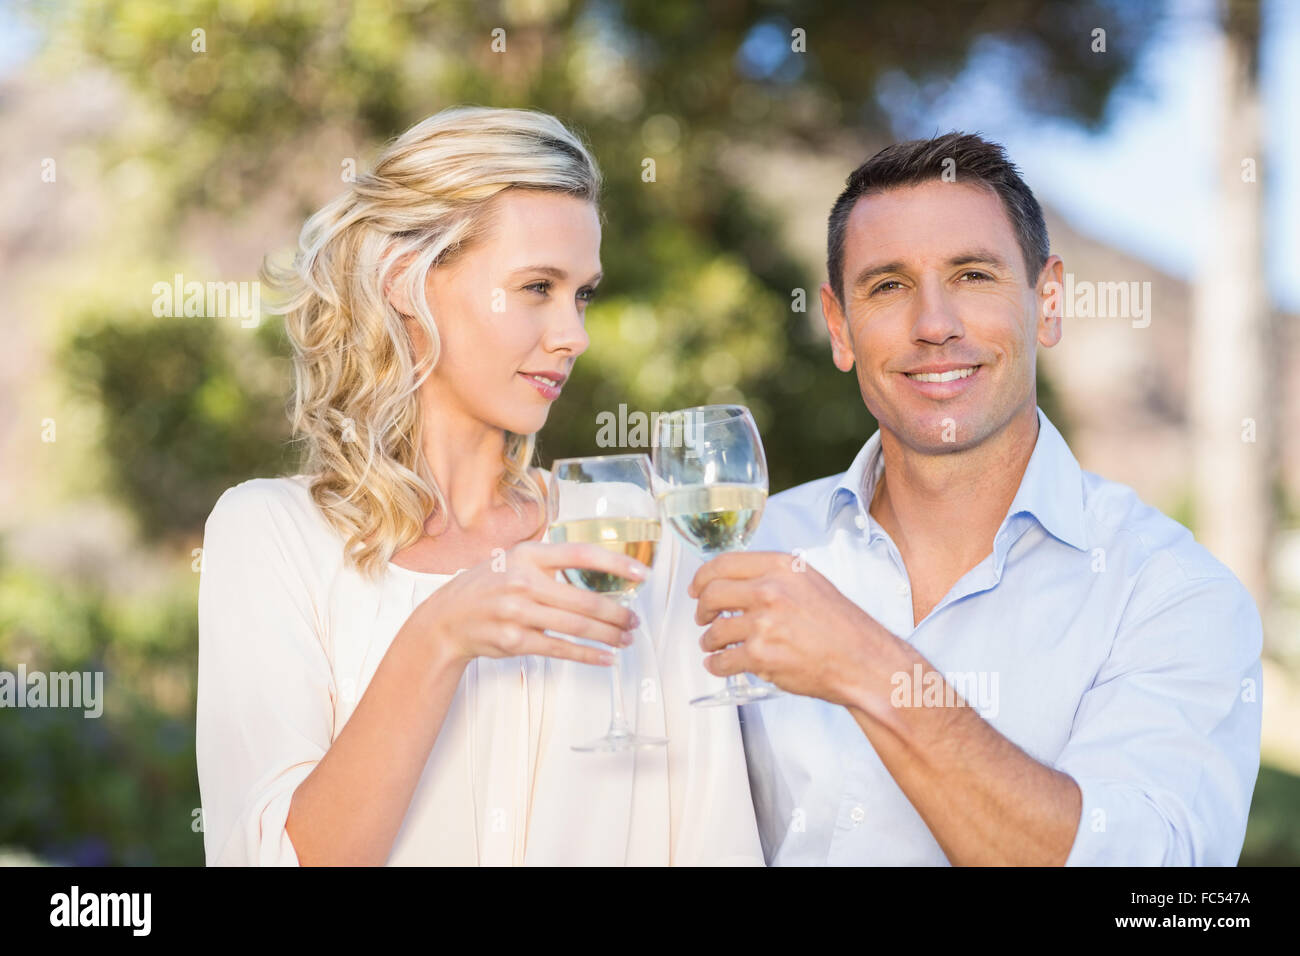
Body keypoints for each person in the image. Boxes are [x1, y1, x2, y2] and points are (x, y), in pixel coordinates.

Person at [195, 106, 762, 866]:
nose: (574, 334)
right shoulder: (271, 535)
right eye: (536, 287)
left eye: (582, 293)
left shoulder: (629, 532)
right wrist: (439, 636)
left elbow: (712, 838)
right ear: (406, 281)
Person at [684, 132, 1263, 865]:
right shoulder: (750, 552)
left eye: (972, 275)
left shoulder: (1172, 596)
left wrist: (870, 668)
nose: (934, 325)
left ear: (1047, 302)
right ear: (839, 326)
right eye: (888, 286)